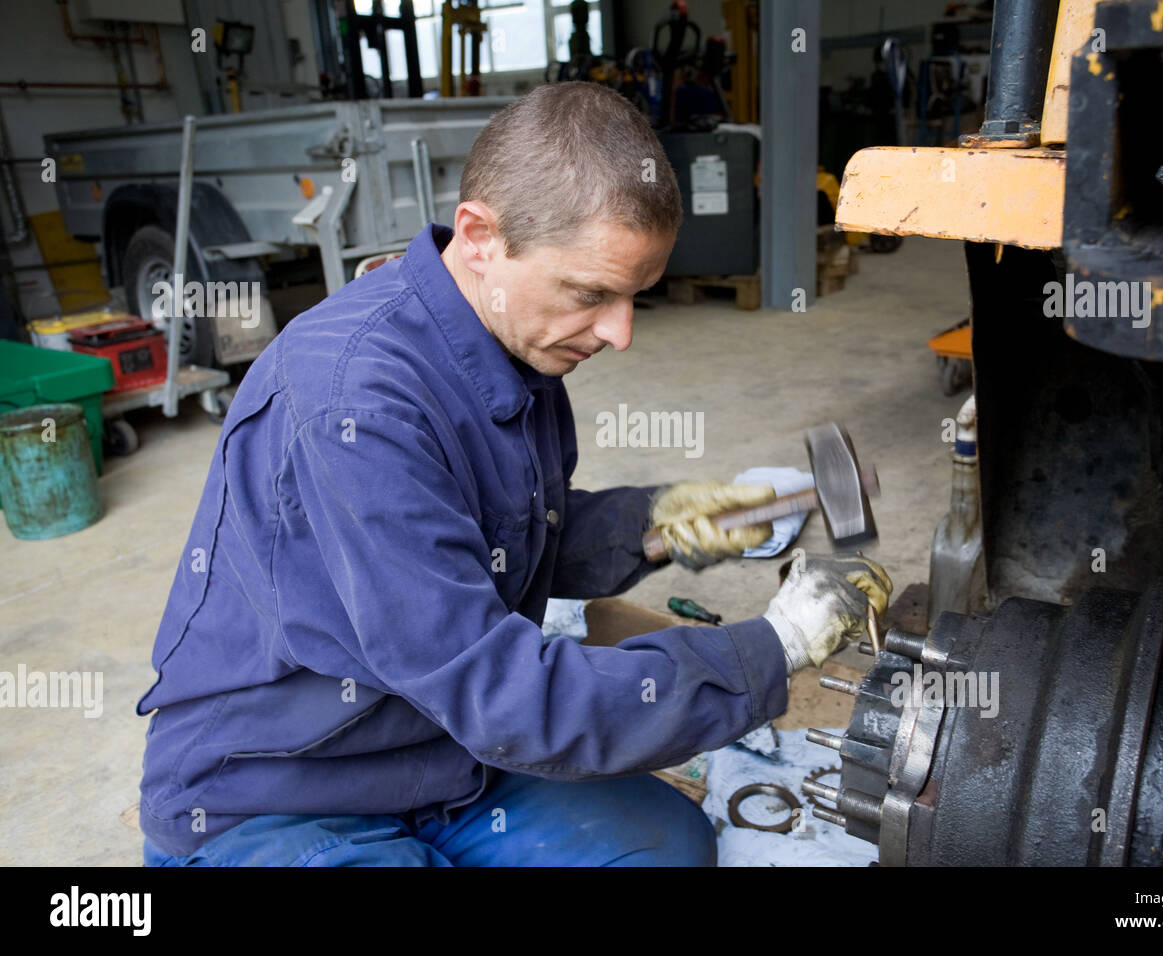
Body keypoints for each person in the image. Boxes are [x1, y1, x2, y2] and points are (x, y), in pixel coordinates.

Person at [137, 82, 891, 867]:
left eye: (635, 296)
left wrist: (661, 523)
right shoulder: (353, 406)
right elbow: (503, 693)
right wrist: (775, 647)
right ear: (479, 237)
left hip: (433, 754)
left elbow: (503, 541)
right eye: (591, 294)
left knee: (664, 848)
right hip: (276, 794)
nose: (620, 333)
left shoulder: (512, 346)